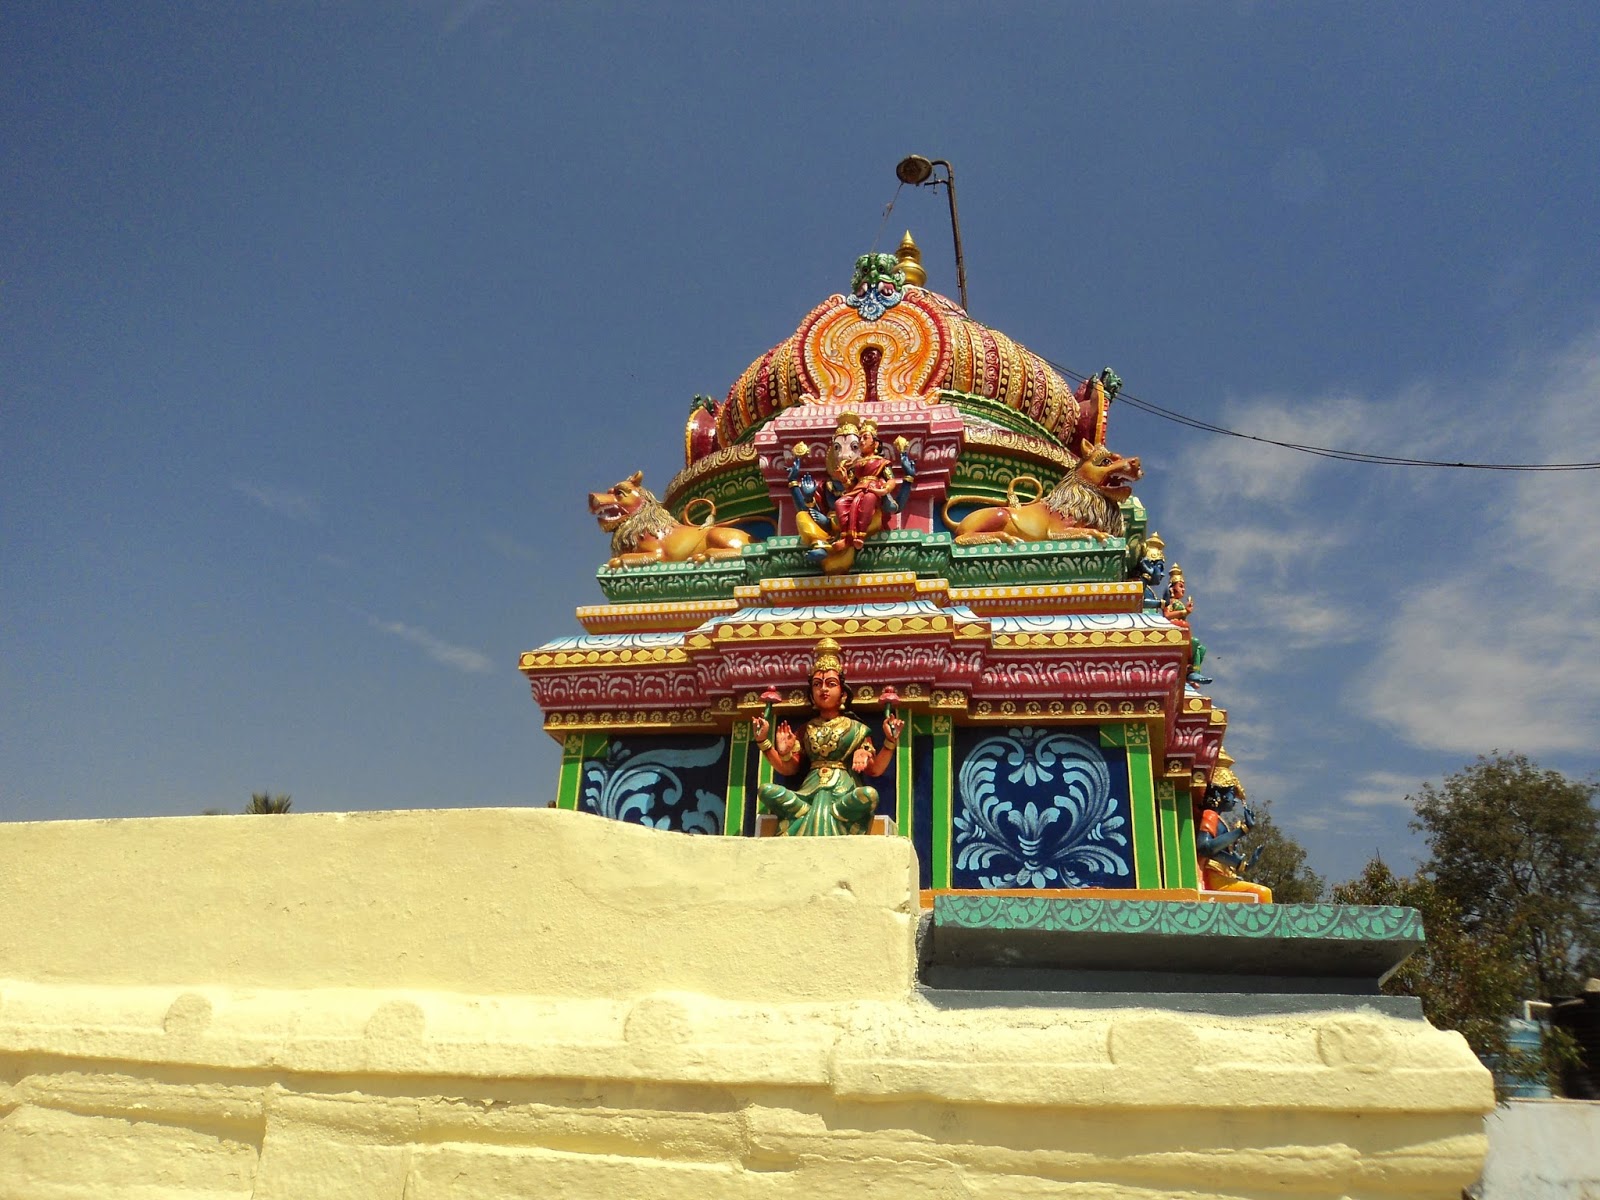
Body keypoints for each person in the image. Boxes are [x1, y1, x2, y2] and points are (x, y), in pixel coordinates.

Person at [751, 638, 904, 836]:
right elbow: (789, 768)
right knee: (766, 791)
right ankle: (807, 812)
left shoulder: (857, 729)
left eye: (831, 684)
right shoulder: (805, 729)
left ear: (842, 694)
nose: (823, 689)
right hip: (807, 794)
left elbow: (874, 769)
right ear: (812, 694)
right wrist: (767, 744)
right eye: (817, 684)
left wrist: (889, 742)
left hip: (843, 795)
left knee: (868, 795)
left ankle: (835, 815)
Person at [1194, 753, 1272, 902]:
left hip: (1223, 875)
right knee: (1263, 893)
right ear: (1218, 794)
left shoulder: (1219, 820)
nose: (1235, 799)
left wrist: (1243, 865)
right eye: (1231, 793)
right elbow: (1205, 848)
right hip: (1214, 879)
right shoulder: (1209, 816)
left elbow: (1216, 854)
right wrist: (1242, 830)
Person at [829, 417, 895, 552]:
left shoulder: (881, 462)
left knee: (868, 499)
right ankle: (845, 537)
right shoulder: (857, 464)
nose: (862, 442)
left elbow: (891, 479)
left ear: (875, 444)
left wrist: (885, 490)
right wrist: (844, 479)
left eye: (865, 438)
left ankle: (860, 535)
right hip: (858, 488)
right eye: (860, 439)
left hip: (872, 488)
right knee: (840, 503)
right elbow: (851, 485)